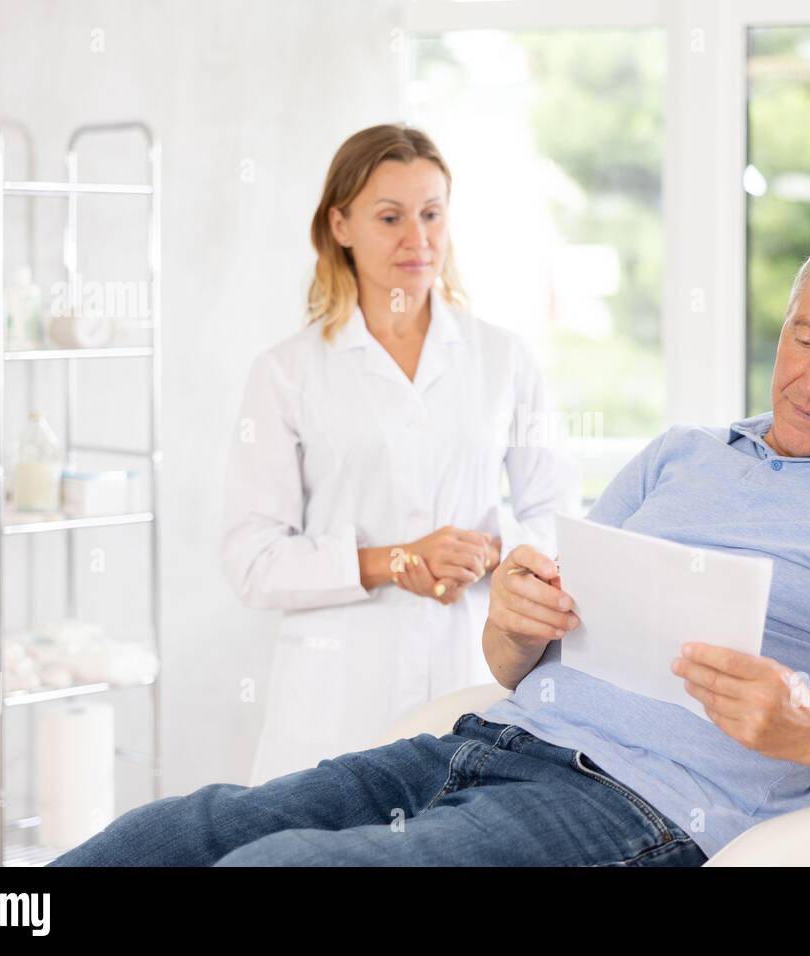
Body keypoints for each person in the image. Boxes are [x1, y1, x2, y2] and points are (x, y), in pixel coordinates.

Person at [52, 220, 810, 867]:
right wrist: (514, 620)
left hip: (634, 813)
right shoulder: (682, 455)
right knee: (178, 834)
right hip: (485, 744)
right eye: (804, 337)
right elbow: (513, 663)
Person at [219, 123, 575, 783]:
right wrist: (394, 561)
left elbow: (556, 513)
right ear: (340, 225)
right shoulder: (287, 373)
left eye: (432, 214)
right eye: (390, 217)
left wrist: (486, 552)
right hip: (335, 692)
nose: (418, 239)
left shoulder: (501, 358)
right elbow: (252, 560)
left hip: (472, 673)